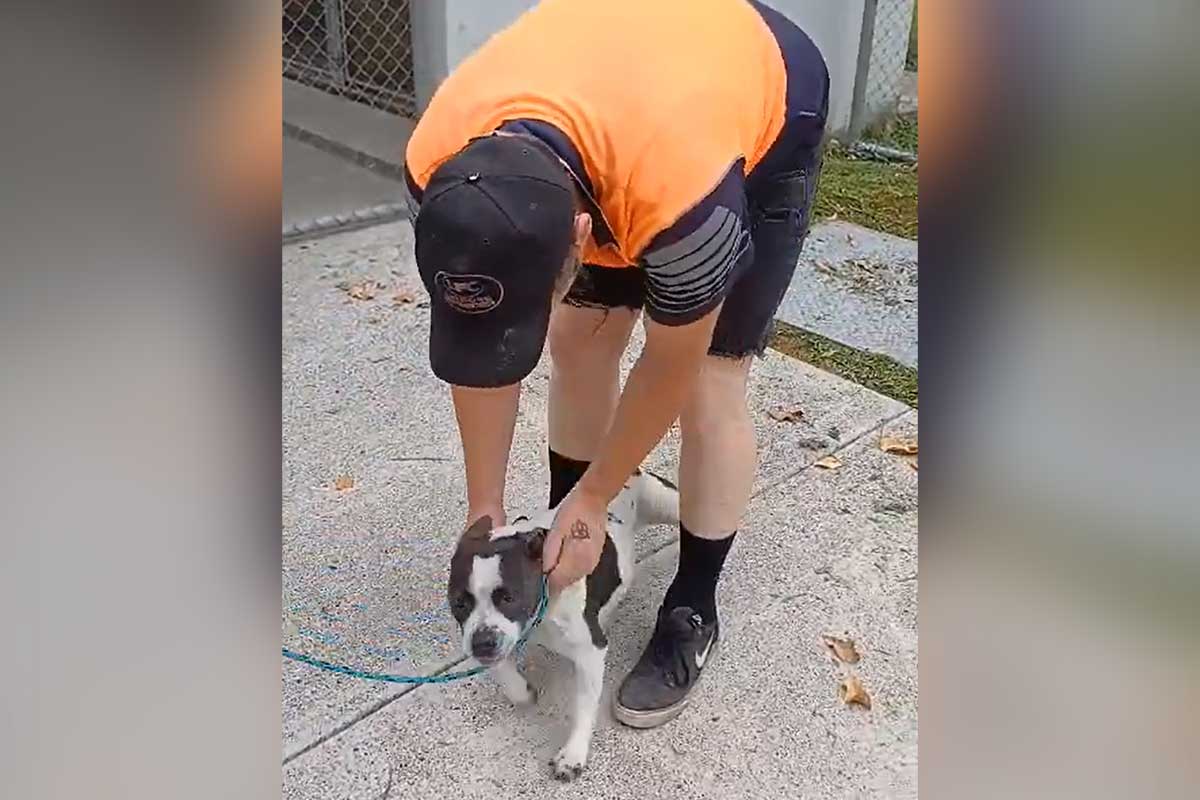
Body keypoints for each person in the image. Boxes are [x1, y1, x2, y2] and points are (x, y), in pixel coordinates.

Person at [404, 0, 828, 728]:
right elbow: (479, 349)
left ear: (580, 236)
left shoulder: (686, 205)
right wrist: (484, 510)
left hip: (756, 104)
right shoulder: (434, 169)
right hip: (619, 100)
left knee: (710, 382)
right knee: (581, 337)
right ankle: (571, 530)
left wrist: (597, 498)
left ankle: (693, 608)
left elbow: (668, 364)